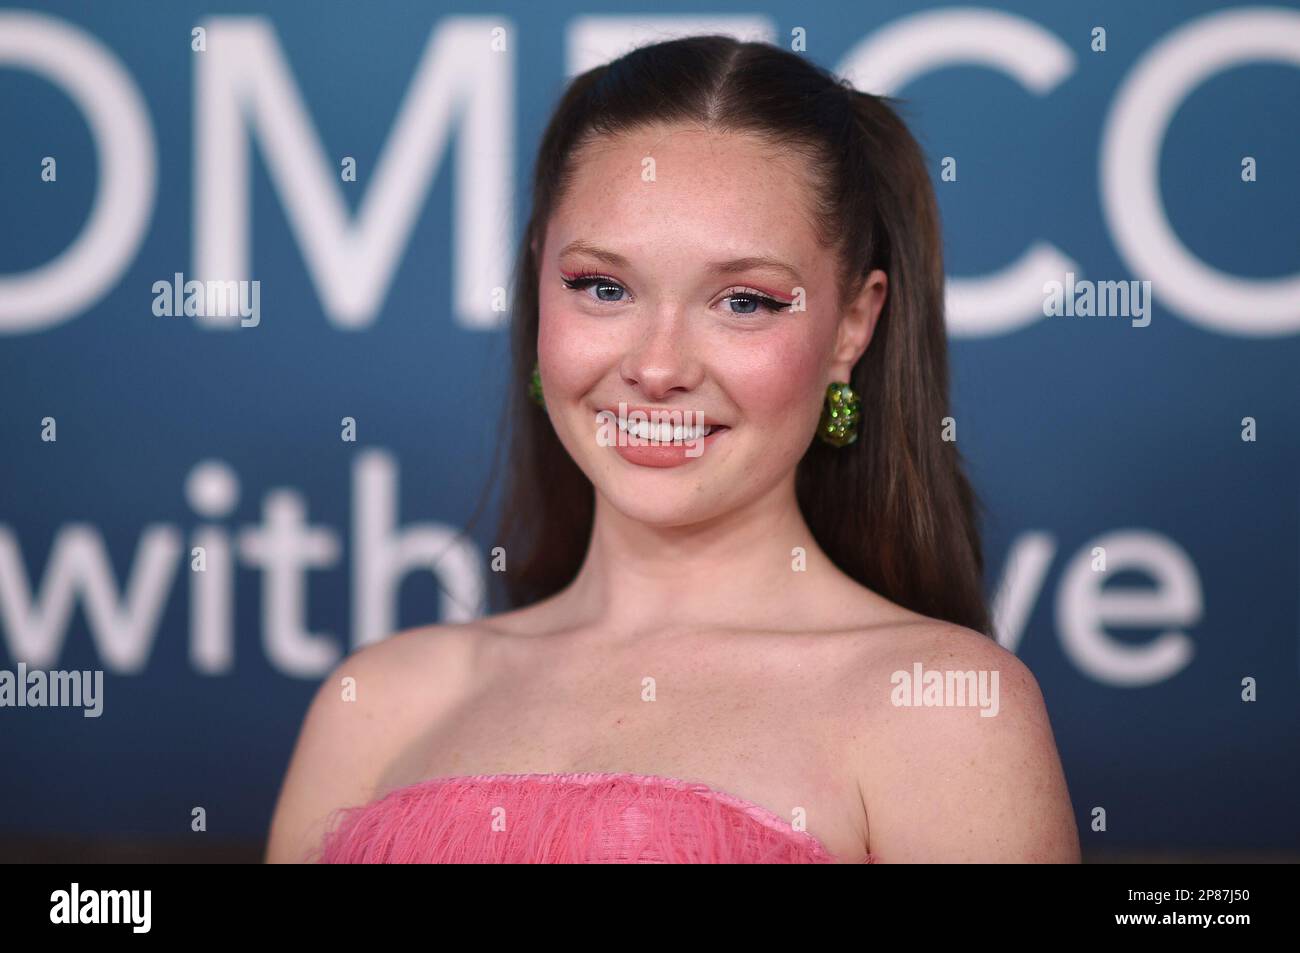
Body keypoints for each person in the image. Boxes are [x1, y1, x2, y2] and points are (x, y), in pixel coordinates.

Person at [266, 34, 1080, 863]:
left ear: (853, 324)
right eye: (602, 288)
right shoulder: (377, 704)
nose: (657, 367)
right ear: (537, 284)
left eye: (744, 301)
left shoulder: (946, 709)